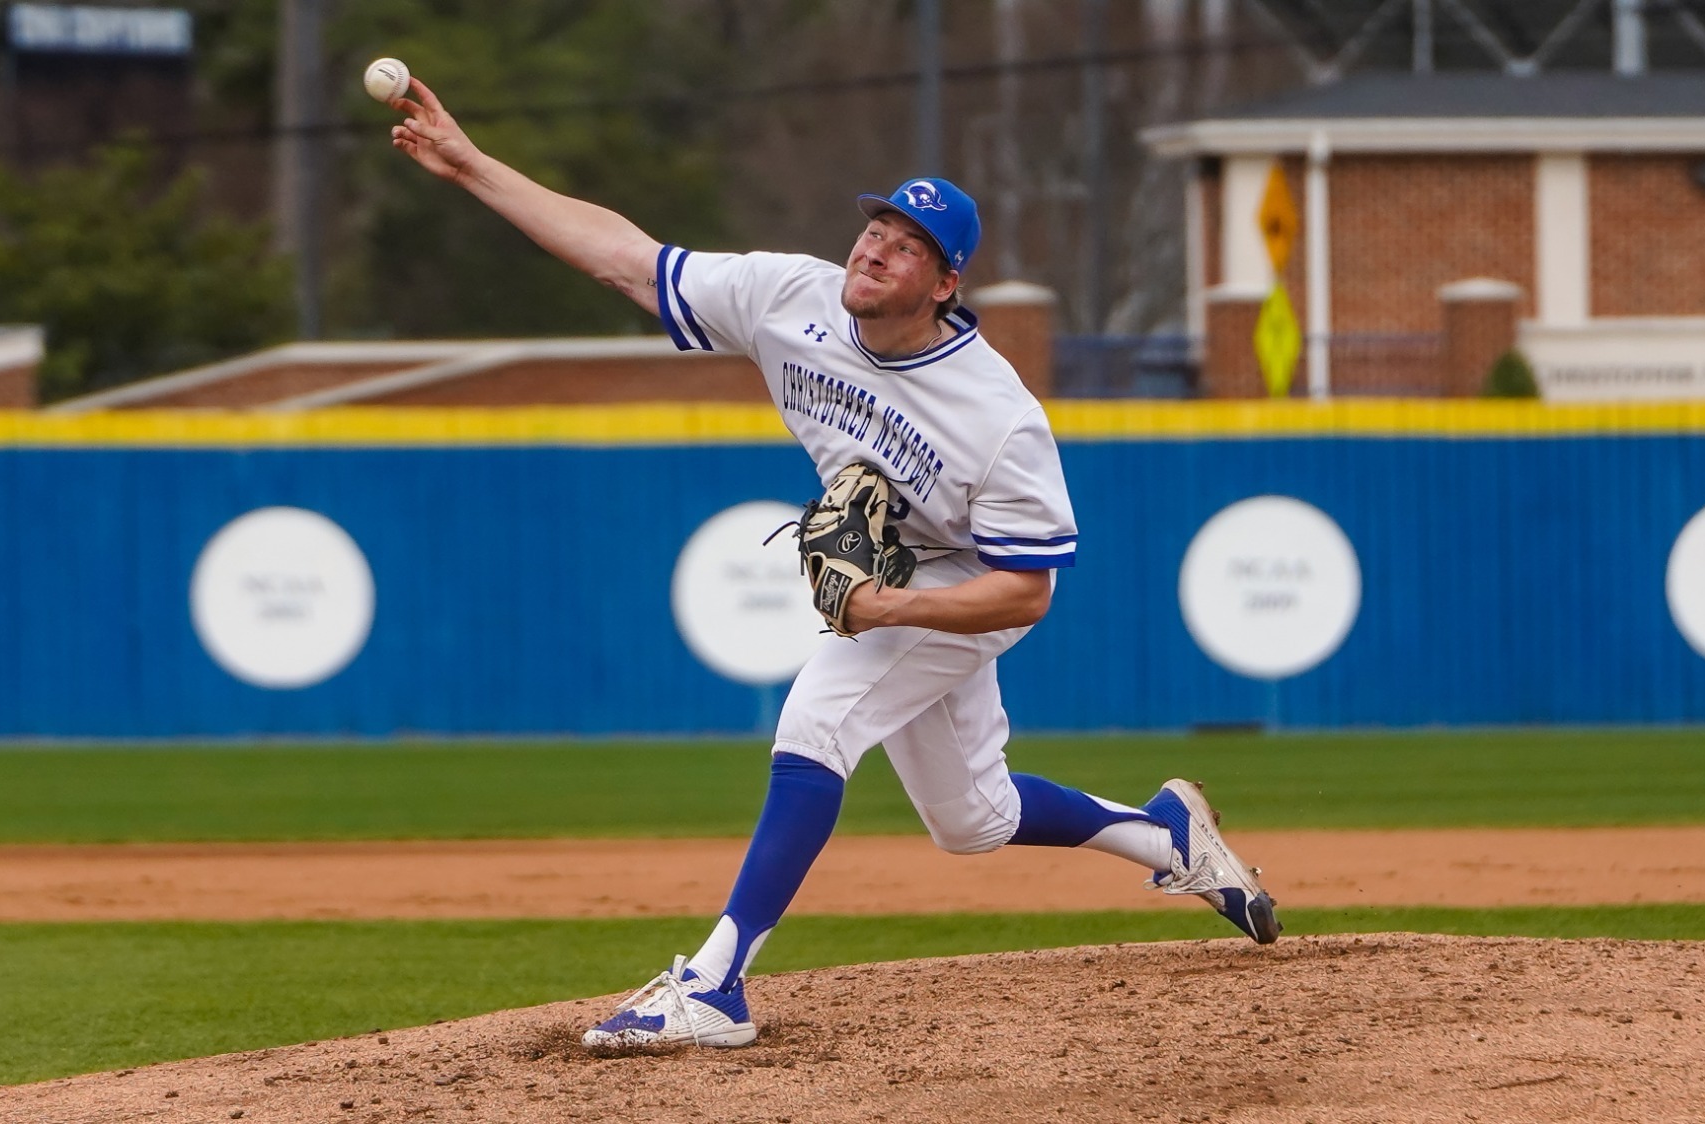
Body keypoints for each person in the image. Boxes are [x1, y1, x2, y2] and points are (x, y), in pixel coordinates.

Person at [386, 78, 1279, 1051]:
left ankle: (714, 984)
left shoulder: (997, 416)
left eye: (907, 246)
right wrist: (472, 164)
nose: (875, 248)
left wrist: (887, 607)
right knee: (971, 818)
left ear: (944, 285)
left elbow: (1026, 590)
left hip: (966, 584)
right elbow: (627, 262)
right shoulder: (788, 297)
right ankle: (1163, 832)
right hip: (895, 572)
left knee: (815, 720)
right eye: (874, 228)